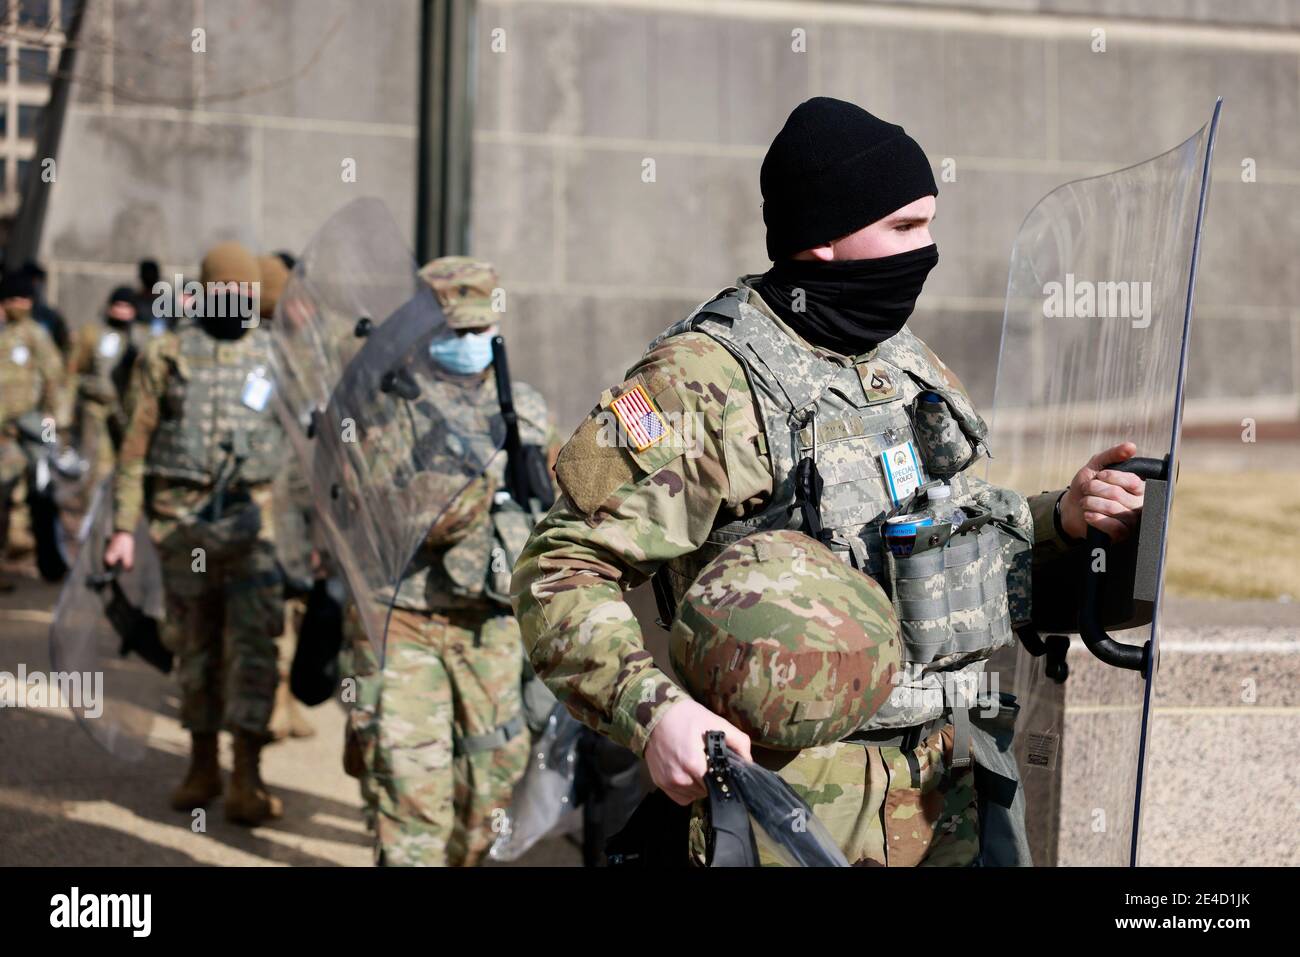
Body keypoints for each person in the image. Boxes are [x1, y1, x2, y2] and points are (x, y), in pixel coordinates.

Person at [511, 97, 1147, 866]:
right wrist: (655, 713)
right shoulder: (702, 380)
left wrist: (1060, 519)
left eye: (930, 223)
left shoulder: (900, 359)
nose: (930, 249)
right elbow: (559, 568)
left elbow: (935, 531)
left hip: (946, 791)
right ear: (822, 239)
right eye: (907, 228)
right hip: (789, 813)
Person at [341, 257, 559, 866]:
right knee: (415, 796)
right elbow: (395, 517)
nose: (467, 344)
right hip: (403, 618)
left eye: (476, 331)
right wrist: (479, 481)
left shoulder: (528, 408)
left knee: (489, 790)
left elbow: (560, 507)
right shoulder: (390, 407)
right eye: (452, 332)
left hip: (490, 627)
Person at [105, 242, 287, 826]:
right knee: (195, 650)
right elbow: (134, 447)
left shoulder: (274, 354)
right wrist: (122, 529)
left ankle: (248, 775)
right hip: (183, 529)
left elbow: (310, 452)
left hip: (256, 527)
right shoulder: (167, 354)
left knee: (255, 649)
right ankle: (202, 764)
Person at [0, 271, 65, 590]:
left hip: (35, 428)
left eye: (25, 300)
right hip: (4, 433)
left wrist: (53, 424)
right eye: (14, 300)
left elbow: (54, 377)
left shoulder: (36, 334)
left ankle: (51, 563)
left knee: (42, 492)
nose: (20, 305)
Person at [66, 286, 137, 486]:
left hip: (126, 412)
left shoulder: (138, 337)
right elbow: (75, 370)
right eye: (118, 305)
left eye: (127, 306)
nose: (122, 311)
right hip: (97, 408)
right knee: (98, 466)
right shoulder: (93, 334)